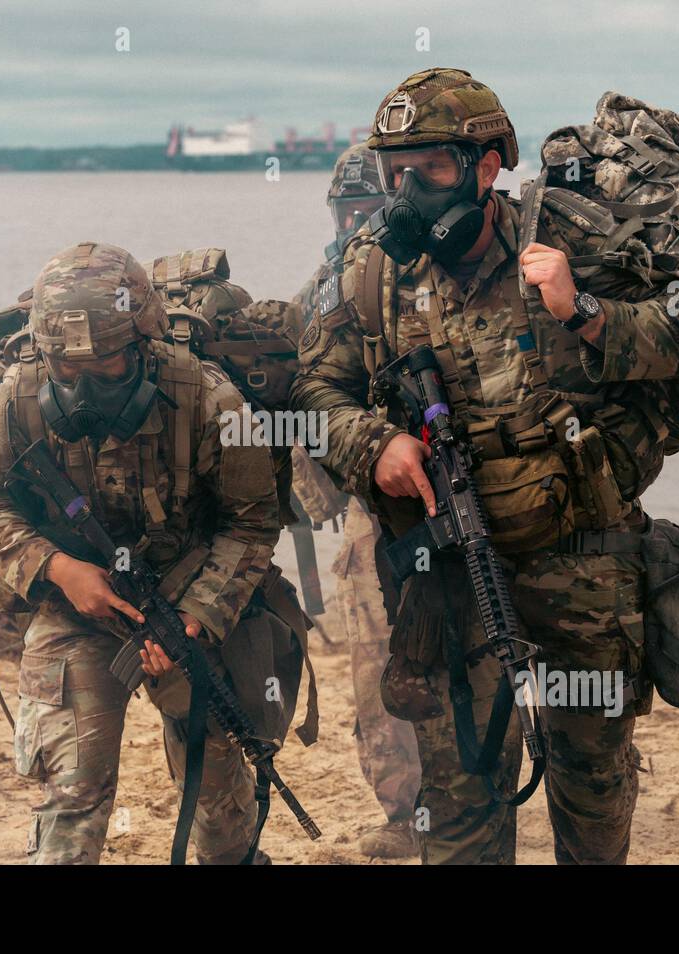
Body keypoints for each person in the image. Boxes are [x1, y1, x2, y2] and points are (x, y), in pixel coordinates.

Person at [290, 68, 679, 864]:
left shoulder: (571, 246)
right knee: (459, 802)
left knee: (593, 792)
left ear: (489, 165)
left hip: (583, 570)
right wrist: (370, 444)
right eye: (395, 170)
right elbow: (314, 390)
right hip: (449, 584)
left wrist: (588, 313)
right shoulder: (370, 272)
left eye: (433, 168)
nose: (410, 189)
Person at [0, 241, 306, 864]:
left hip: (187, 608)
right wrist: (58, 569)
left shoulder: (209, 398)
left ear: (144, 342)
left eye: (108, 366)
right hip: (79, 611)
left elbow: (252, 520)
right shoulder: (16, 398)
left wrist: (197, 614)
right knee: (73, 794)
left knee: (219, 805)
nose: (85, 385)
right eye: (68, 370)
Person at [290, 143, 421, 859]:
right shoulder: (327, 284)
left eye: (373, 208)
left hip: (462, 487)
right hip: (373, 503)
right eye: (350, 210)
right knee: (376, 665)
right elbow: (303, 387)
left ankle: (486, 788)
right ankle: (405, 813)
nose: (361, 223)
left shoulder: (443, 268)